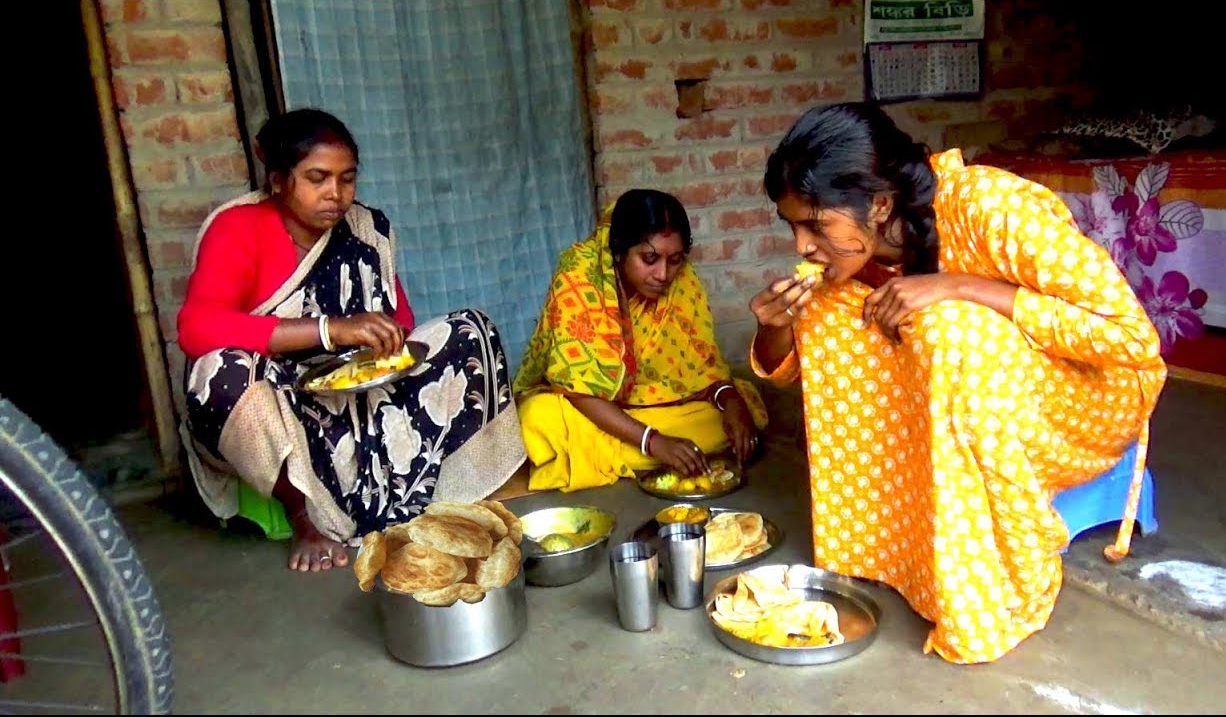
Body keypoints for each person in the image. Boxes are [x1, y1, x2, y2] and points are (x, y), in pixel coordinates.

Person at [748, 102, 1167, 664]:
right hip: (987, 401)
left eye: (815, 225)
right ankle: (892, 548)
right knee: (830, 311)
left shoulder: (990, 206)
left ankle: (986, 582)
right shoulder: (850, 260)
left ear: (878, 204)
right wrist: (772, 328)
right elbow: (788, 367)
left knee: (948, 327)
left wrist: (960, 286)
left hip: (1084, 398)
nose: (801, 246)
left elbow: (1130, 341)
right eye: (793, 226)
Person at [177, 108, 527, 573]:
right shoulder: (239, 228)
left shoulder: (367, 230)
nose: (335, 195)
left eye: (347, 179)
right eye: (317, 178)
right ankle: (306, 516)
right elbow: (195, 329)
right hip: (286, 400)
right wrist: (328, 329)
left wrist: (382, 338)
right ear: (280, 180)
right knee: (220, 371)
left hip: (362, 392)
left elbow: (399, 320)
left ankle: (443, 487)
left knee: (470, 329)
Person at [513, 189, 769, 492]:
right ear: (620, 250)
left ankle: (616, 455)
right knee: (538, 419)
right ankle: (655, 453)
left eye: (674, 260)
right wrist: (653, 441)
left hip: (660, 406)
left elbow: (704, 371)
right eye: (649, 259)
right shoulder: (579, 276)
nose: (663, 274)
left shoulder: (682, 282)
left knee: (743, 403)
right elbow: (577, 390)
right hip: (589, 410)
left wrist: (732, 404)